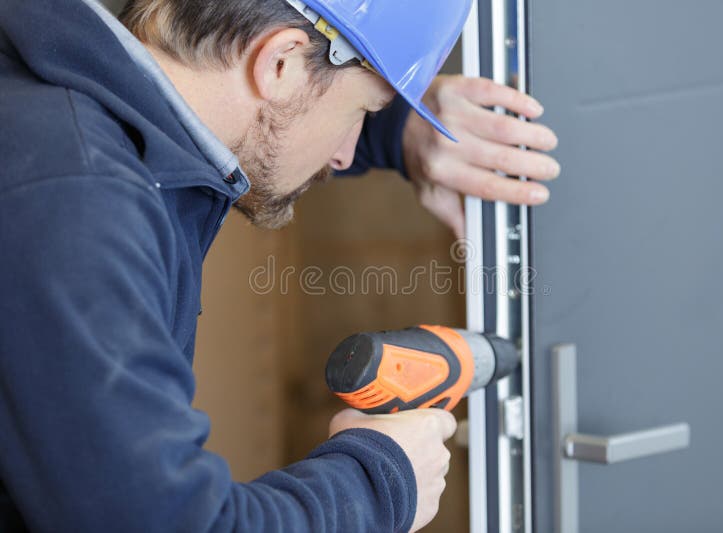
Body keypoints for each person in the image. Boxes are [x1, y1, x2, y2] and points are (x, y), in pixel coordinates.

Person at [0, 0, 559, 531]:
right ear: (281, 62)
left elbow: (248, 139)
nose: (344, 154)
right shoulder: (78, 204)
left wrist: (398, 131)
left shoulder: (65, 107)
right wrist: (380, 481)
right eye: (363, 112)